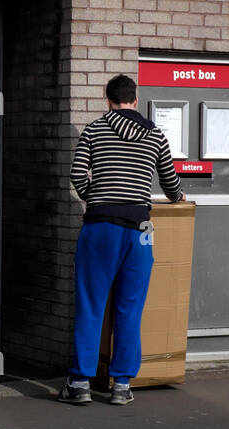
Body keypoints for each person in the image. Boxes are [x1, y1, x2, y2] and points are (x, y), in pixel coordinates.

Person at [61, 73, 186, 406]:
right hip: (139, 229)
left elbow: (75, 176)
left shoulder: (95, 130)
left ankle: (80, 383)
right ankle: (121, 386)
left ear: (108, 100)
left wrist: (97, 199)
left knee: (90, 305)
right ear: (136, 98)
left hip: (100, 226)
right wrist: (177, 196)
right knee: (130, 308)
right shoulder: (155, 134)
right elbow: (171, 184)